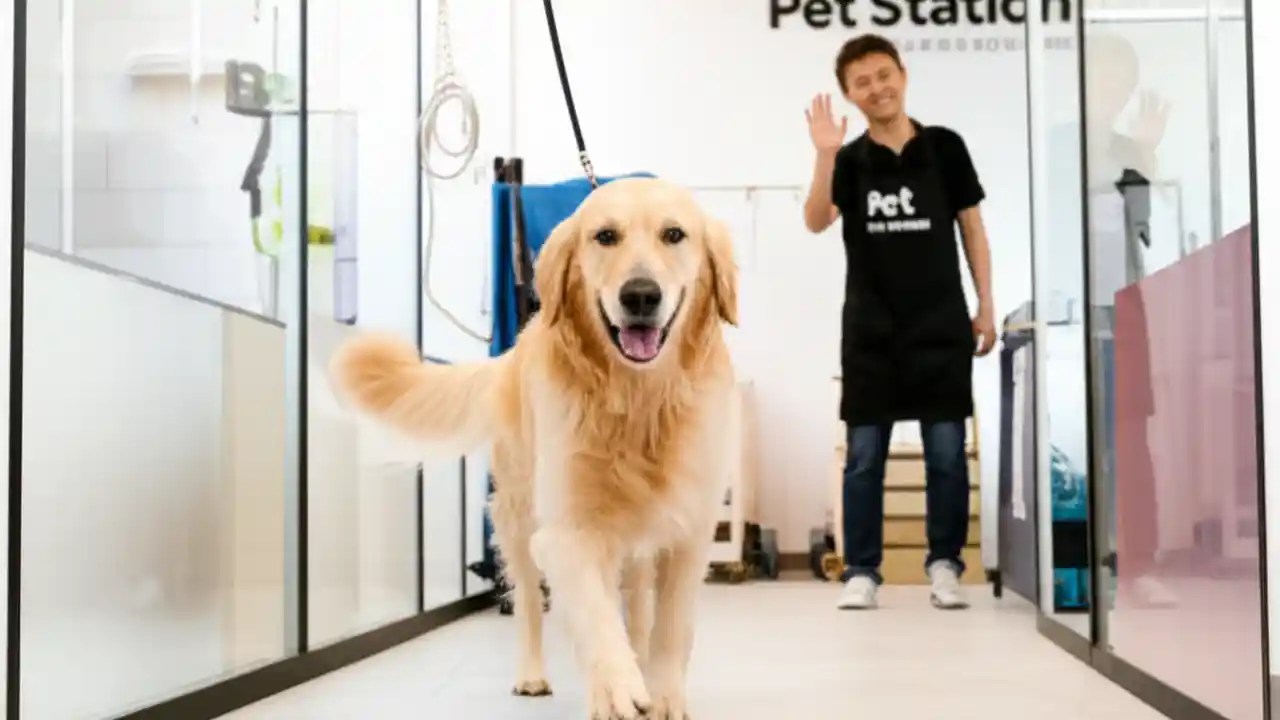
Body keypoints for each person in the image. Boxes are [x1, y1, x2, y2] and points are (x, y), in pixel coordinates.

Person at [802, 34, 996, 610]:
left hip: (939, 326)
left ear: (902, 76)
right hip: (870, 333)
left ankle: (944, 566)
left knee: (945, 454)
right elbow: (816, 220)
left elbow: (973, 230)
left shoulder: (944, 147)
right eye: (861, 82)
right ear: (849, 95)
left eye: (883, 74)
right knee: (864, 458)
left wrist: (985, 304)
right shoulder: (852, 160)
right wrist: (823, 153)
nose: (876, 88)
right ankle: (862, 570)